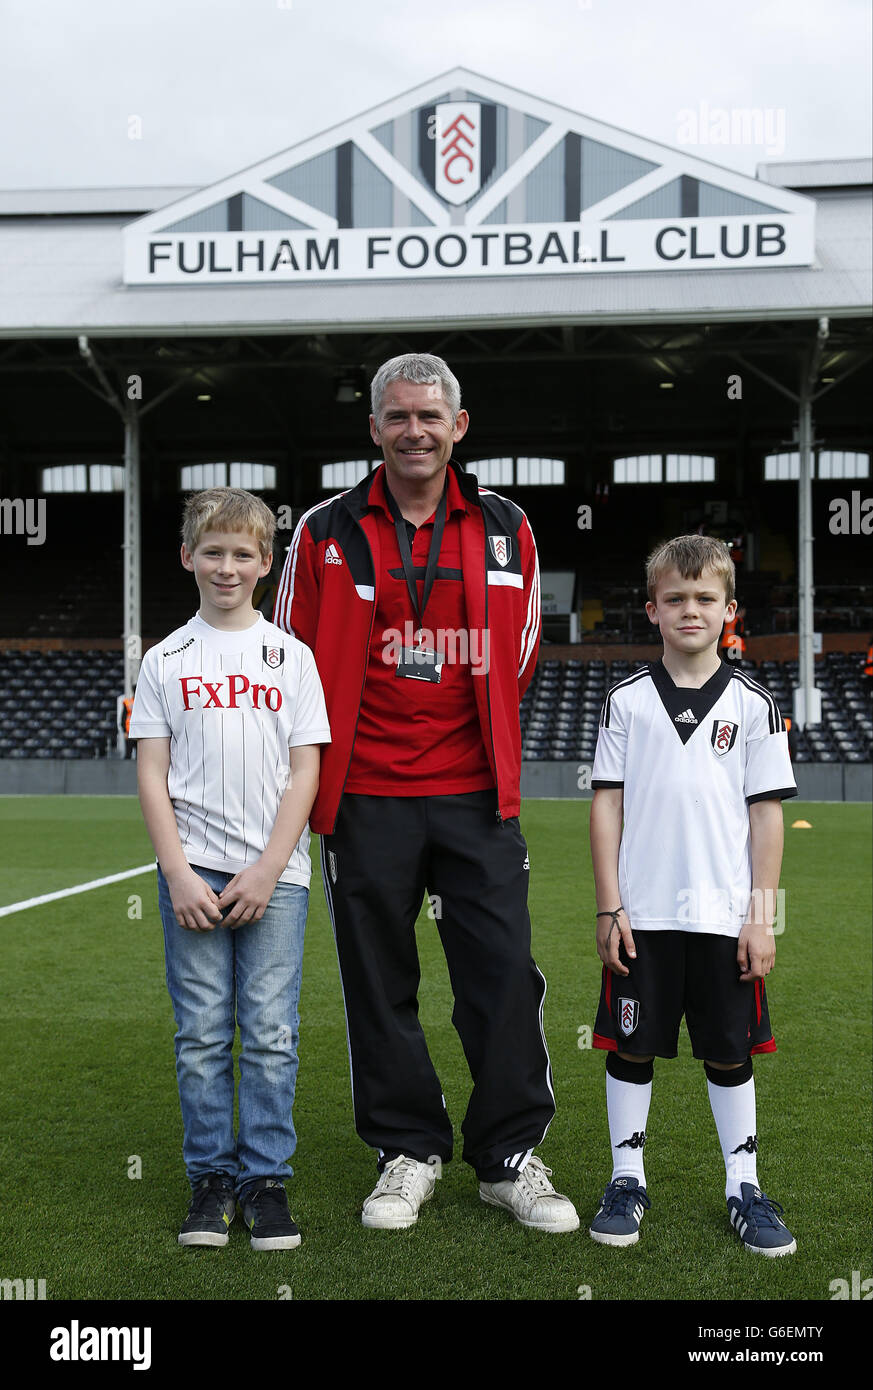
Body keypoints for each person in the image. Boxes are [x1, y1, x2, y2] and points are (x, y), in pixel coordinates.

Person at [273, 353, 578, 1234]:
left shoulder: (504, 524)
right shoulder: (326, 530)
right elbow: (295, 658)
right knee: (379, 980)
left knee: (502, 978)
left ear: (459, 426)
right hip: (364, 793)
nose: (415, 431)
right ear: (373, 429)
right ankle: (407, 1150)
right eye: (397, 417)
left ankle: (508, 1156)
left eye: (429, 417)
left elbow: (519, 654)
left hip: (477, 793)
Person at [130, 487, 330, 1251]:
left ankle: (265, 1181)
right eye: (211, 551)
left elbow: (304, 770)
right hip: (192, 875)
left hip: (274, 879)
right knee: (203, 1033)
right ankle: (211, 1181)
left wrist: (269, 866)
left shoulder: (291, 656)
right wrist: (178, 872)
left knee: (272, 1031)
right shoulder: (165, 658)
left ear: (265, 562)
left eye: (242, 553)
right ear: (187, 557)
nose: (226, 566)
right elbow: (153, 772)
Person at [588, 534, 798, 1256]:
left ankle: (742, 1186)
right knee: (631, 1046)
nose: (688, 610)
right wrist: (609, 905)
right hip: (641, 915)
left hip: (722, 917)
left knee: (727, 1050)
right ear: (650, 609)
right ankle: (625, 1178)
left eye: (703, 598)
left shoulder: (754, 703)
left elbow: (767, 817)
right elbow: (606, 807)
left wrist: (760, 918)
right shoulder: (625, 701)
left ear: (728, 609)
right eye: (673, 598)